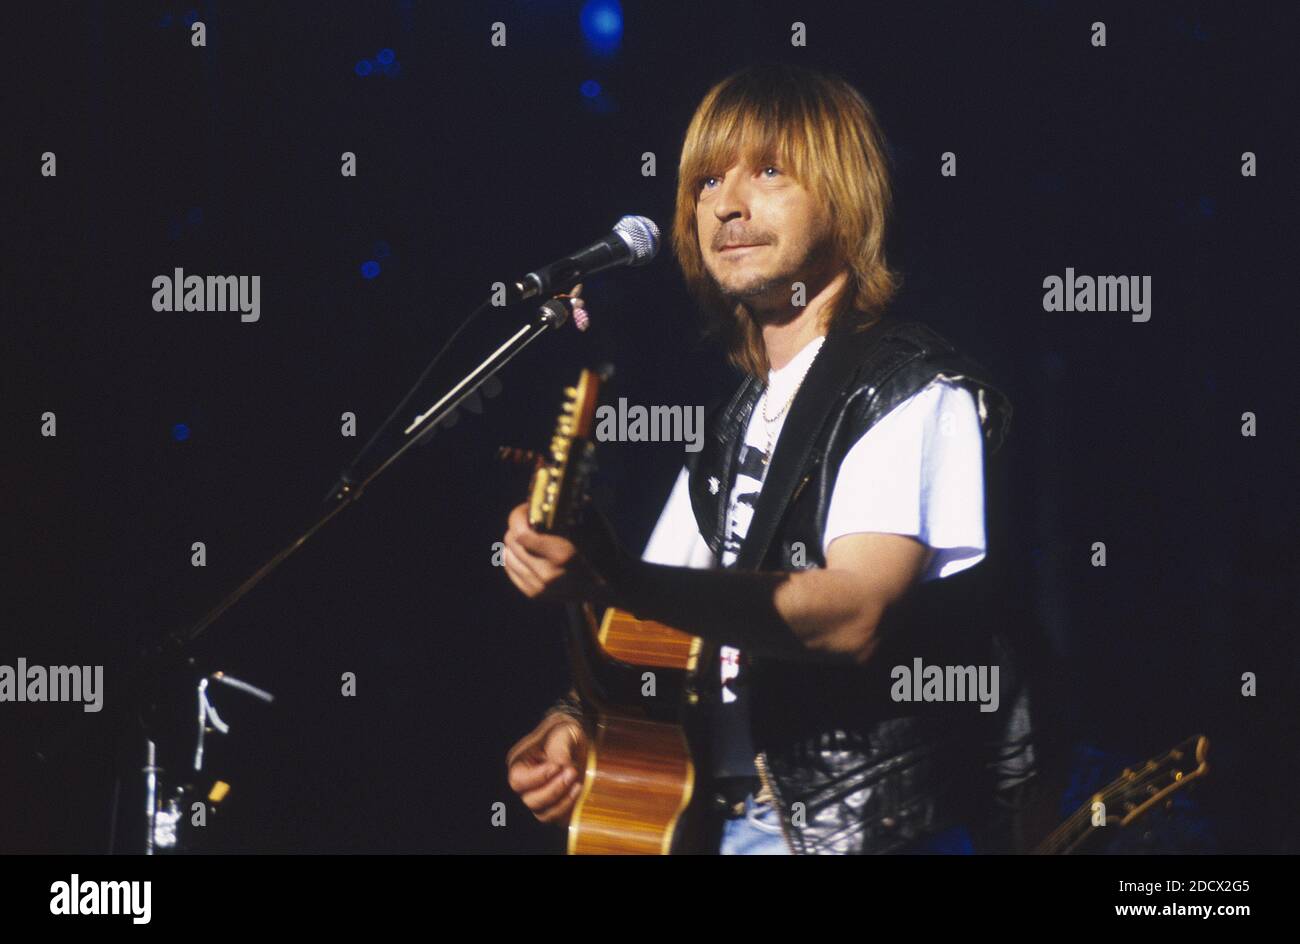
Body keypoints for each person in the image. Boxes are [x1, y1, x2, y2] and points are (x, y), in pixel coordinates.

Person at [502, 63, 1040, 854]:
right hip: (720, 820)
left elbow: (857, 612)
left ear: (846, 195)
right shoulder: (736, 424)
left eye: (770, 171)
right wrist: (577, 721)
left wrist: (614, 575)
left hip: (856, 835)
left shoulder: (907, 383)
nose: (726, 203)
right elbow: (646, 628)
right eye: (707, 180)